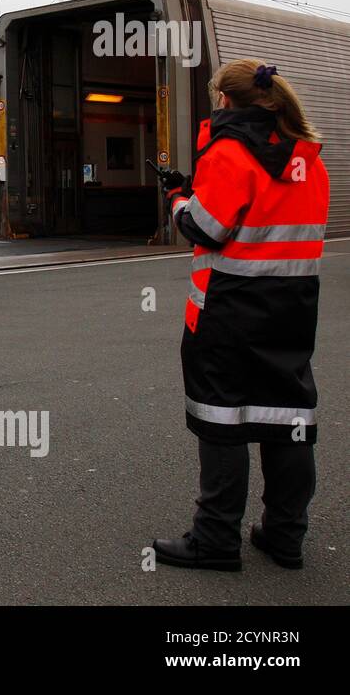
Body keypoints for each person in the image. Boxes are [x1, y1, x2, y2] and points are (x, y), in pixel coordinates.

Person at [153, 59, 328, 571]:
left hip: (229, 308)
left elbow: (207, 227)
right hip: (292, 308)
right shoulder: (308, 158)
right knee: (287, 419)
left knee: (222, 420)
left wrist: (178, 196)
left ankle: (215, 540)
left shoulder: (229, 152)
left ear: (227, 101)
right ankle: (285, 536)